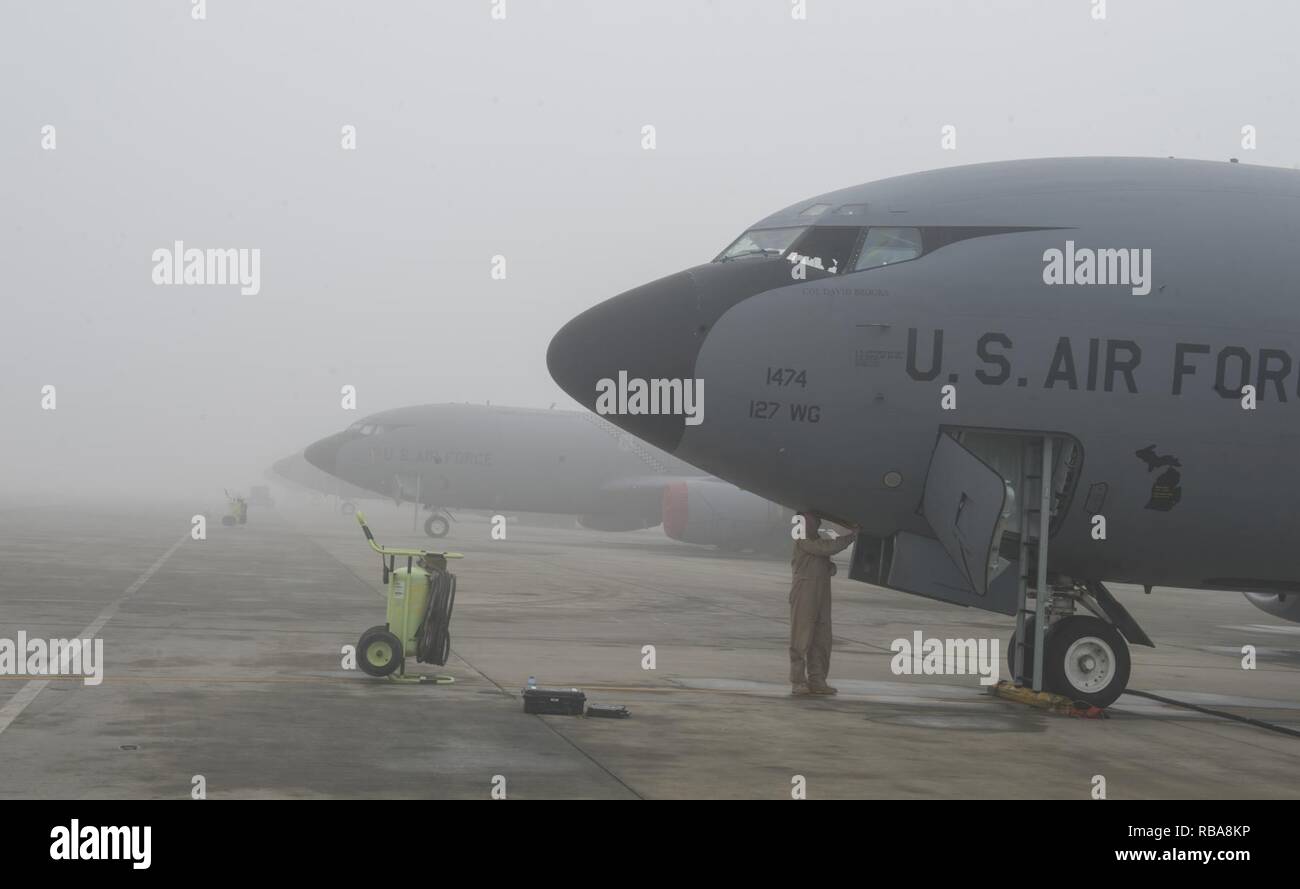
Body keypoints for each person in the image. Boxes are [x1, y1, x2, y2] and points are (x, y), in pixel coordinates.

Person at [789, 512, 856, 696]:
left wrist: (827, 567)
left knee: (822, 637)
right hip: (805, 590)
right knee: (801, 638)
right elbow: (826, 548)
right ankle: (798, 681)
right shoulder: (802, 537)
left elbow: (825, 561)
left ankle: (818, 680)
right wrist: (852, 536)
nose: (817, 522)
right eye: (813, 518)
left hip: (821, 592)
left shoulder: (814, 539)